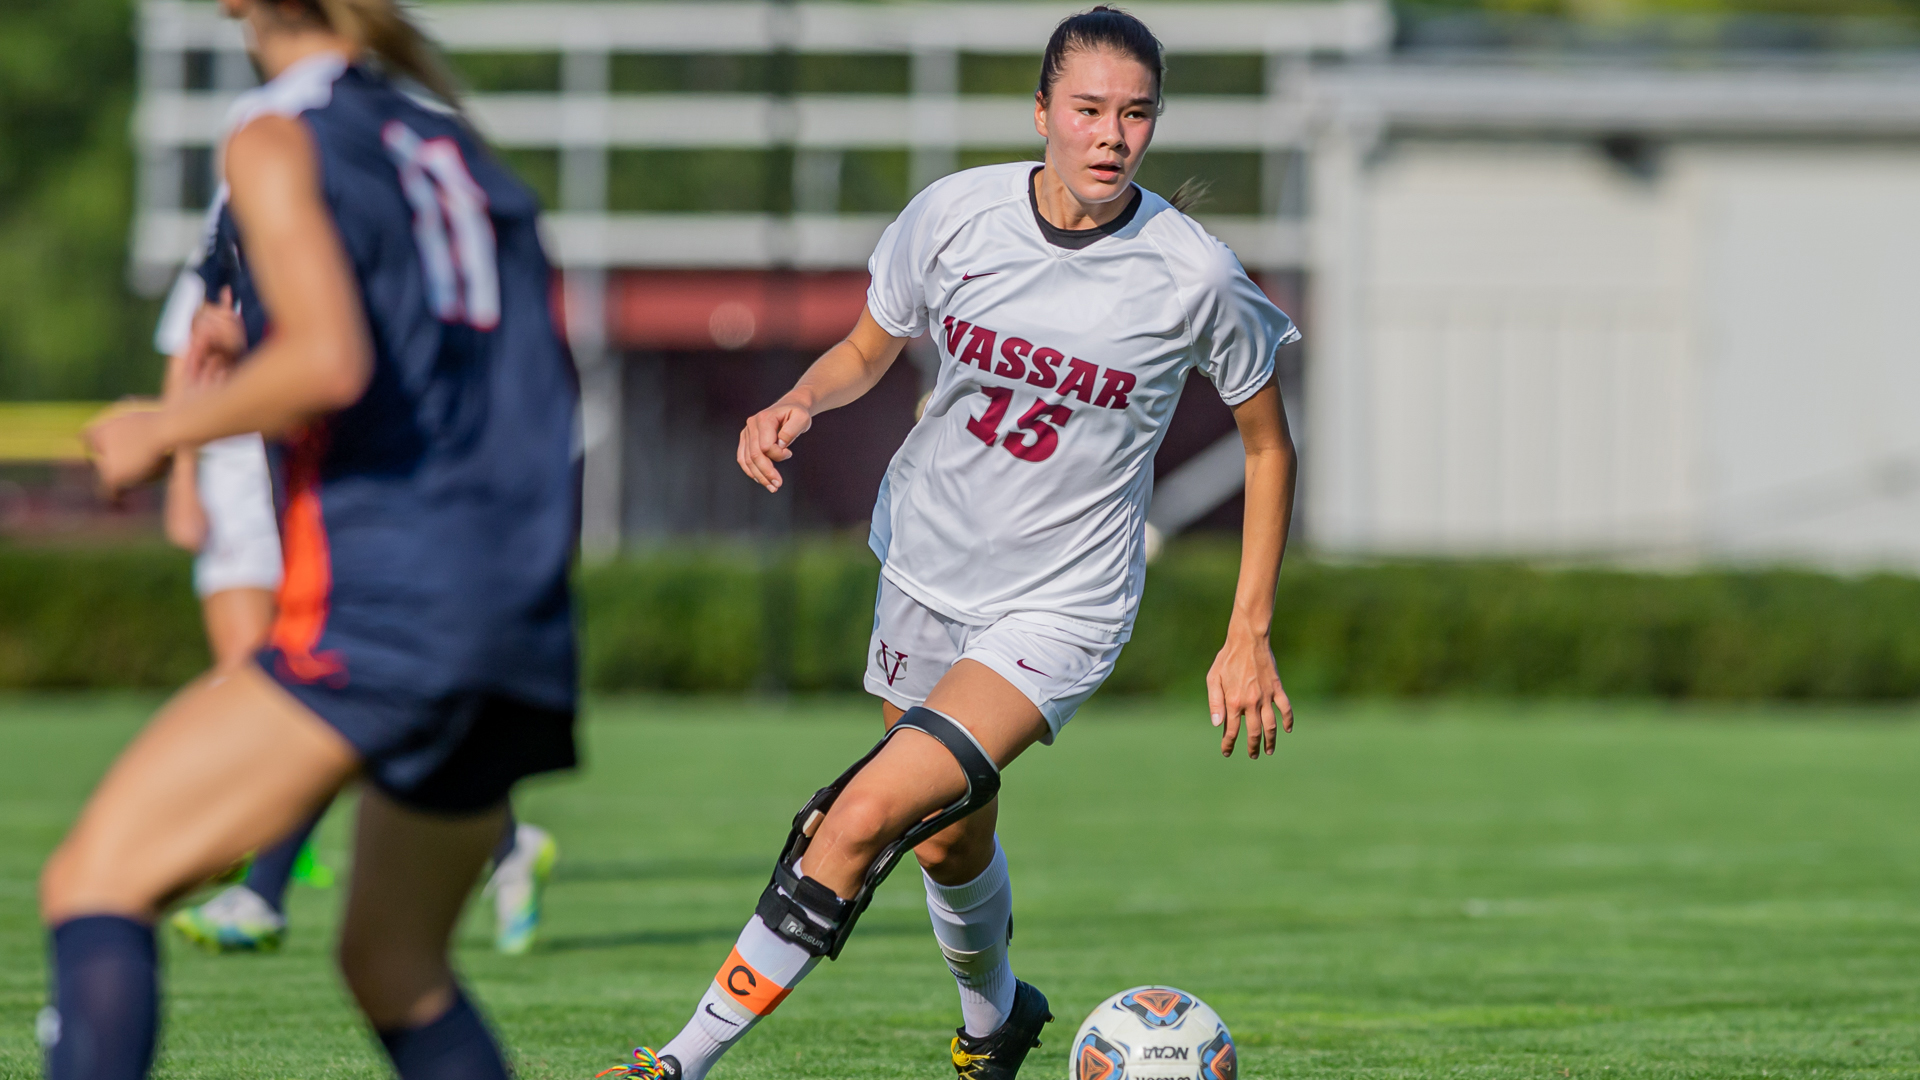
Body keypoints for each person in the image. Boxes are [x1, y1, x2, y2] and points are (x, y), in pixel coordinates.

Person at [608, 8, 1298, 1080]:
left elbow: (1267, 445)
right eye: (1088, 110)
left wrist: (1246, 629)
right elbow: (864, 349)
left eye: (1135, 114)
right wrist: (797, 400)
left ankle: (678, 1062)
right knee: (945, 838)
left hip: (1060, 607)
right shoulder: (955, 215)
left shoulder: (1193, 276)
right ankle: (997, 1023)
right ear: (1042, 113)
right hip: (923, 569)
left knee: (859, 816)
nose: (1112, 136)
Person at [40, 0, 579, 1076]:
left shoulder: (273, 132)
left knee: (95, 883)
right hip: (513, 606)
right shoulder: (448, 143)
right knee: (395, 966)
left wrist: (163, 427)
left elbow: (331, 363)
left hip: (389, 606)